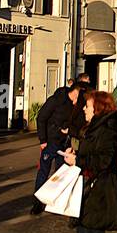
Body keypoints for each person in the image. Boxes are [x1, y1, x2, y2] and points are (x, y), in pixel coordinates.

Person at [61, 89, 117, 233]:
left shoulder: (107, 130)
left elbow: (104, 160)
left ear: (97, 108)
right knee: (83, 230)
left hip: (100, 189)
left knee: (94, 232)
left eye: (87, 107)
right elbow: (92, 154)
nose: (84, 110)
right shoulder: (92, 128)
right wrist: (76, 155)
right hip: (88, 186)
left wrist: (78, 160)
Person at [32, 82, 83, 215]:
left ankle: (56, 201)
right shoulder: (56, 100)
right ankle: (38, 202)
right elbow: (41, 118)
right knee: (44, 172)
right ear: (75, 93)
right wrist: (42, 140)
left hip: (64, 144)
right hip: (50, 142)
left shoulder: (76, 106)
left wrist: (69, 133)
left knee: (61, 173)